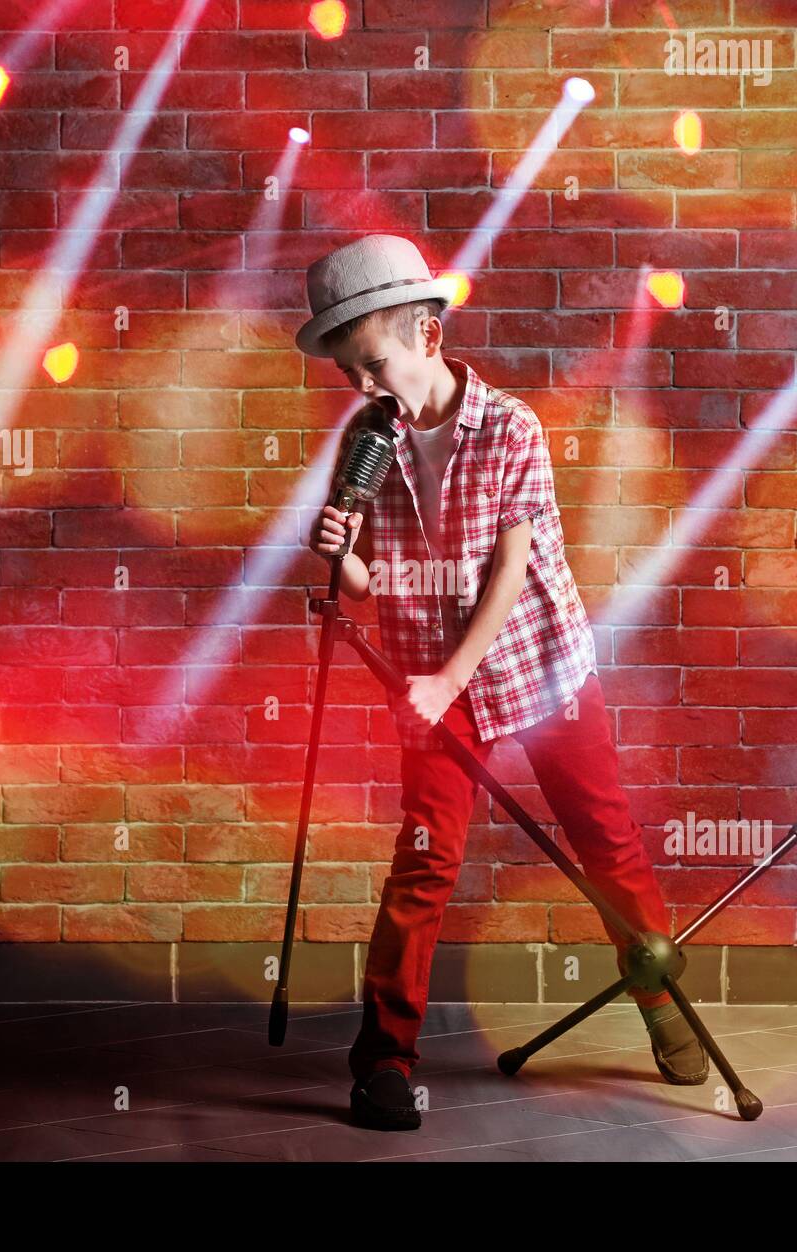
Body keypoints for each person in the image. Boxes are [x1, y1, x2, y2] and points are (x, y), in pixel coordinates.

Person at [298, 235, 707, 1132]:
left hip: (536, 668)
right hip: (432, 685)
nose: (362, 388)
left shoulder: (512, 429)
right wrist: (344, 559)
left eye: (372, 365)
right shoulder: (368, 439)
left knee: (607, 843)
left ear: (429, 337)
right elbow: (368, 585)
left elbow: (510, 574)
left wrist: (450, 677)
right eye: (348, 374)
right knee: (423, 865)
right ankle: (384, 1062)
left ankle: (660, 1001)